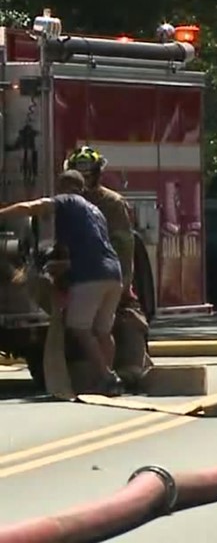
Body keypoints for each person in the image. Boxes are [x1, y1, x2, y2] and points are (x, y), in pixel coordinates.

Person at [0, 170, 124, 396]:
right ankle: (105, 378)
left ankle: (107, 377)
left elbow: (30, 208)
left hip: (92, 275)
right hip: (114, 274)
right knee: (103, 330)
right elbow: (88, 249)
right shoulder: (95, 212)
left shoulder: (67, 201)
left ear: (65, 186)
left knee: (79, 329)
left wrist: (2, 214)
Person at [63, 146, 152, 390]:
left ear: (98, 173)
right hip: (79, 274)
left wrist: (124, 283)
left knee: (126, 315)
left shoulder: (112, 203)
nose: (85, 180)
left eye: (89, 174)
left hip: (107, 272)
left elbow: (124, 244)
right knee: (89, 326)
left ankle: (129, 368)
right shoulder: (71, 201)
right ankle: (98, 374)